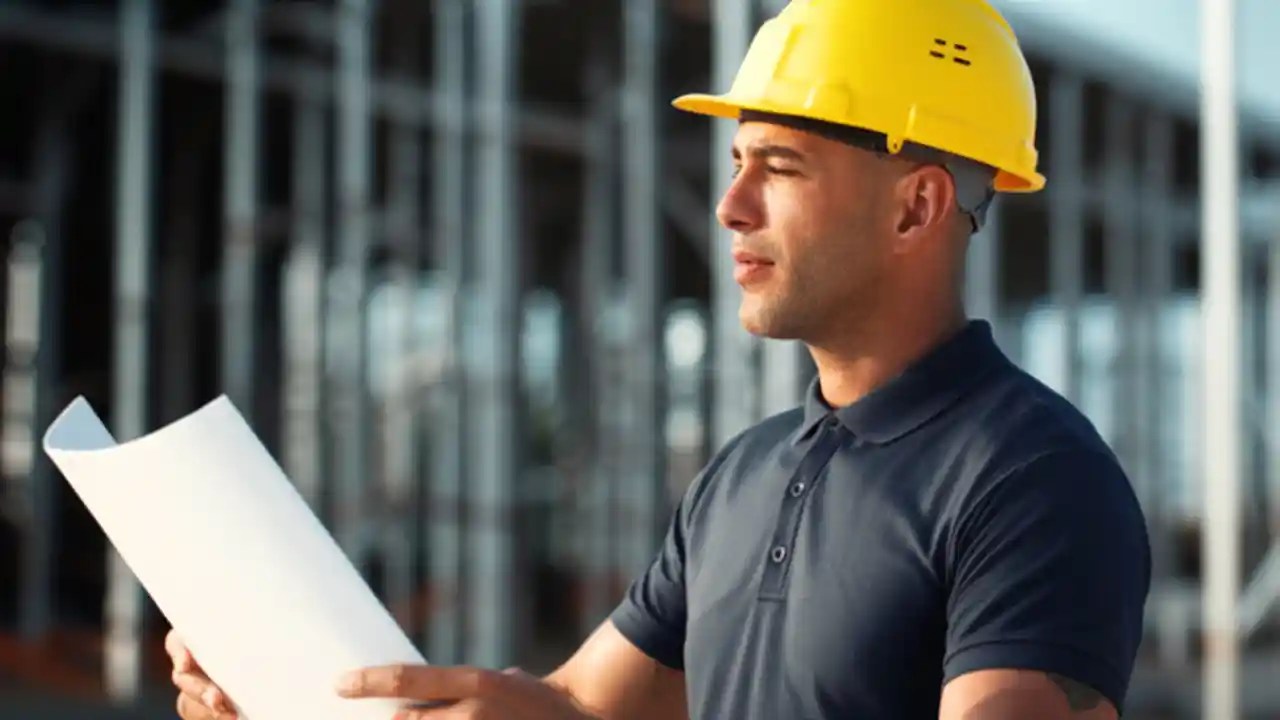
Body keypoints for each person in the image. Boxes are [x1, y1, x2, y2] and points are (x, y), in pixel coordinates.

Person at [168, 0, 1151, 718]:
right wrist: (294, 689)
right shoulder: (742, 475)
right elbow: (574, 709)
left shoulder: (1032, 478)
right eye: (736, 164)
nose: (730, 206)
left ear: (915, 206)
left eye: (780, 167)